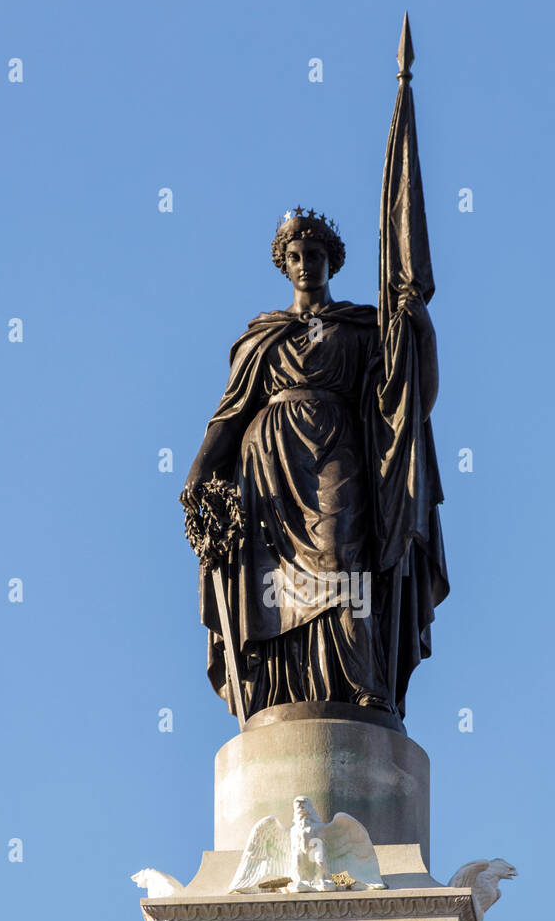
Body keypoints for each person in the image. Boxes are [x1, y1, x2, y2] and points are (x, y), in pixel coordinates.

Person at [183, 208, 446, 722]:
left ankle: (365, 684)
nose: (307, 264)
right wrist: (199, 471)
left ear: (333, 261)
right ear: (284, 263)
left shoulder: (362, 329)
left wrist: (421, 330)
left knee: (341, 559)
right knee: (270, 583)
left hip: (335, 452)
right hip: (267, 470)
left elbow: (409, 405)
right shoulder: (263, 338)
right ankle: (280, 693)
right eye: (297, 256)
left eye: (317, 255)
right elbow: (230, 416)